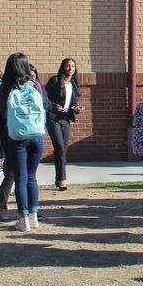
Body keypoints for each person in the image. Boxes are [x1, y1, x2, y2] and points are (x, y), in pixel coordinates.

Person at [0, 53, 46, 232]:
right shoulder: (35, 85)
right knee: (32, 177)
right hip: (37, 135)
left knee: (21, 177)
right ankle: (34, 216)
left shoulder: (7, 87)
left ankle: (23, 218)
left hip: (17, 136)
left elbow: (3, 111)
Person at [45, 58, 83, 192]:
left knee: (62, 149)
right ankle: (62, 180)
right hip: (53, 118)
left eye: (73, 66)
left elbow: (72, 102)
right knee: (60, 147)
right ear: (63, 67)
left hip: (65, 119)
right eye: (68, 66)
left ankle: (58, 178)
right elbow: (45, 98)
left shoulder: (73, 83)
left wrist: (76, 108)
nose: (70, 68)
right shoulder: (55, 81)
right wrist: (54, 106)